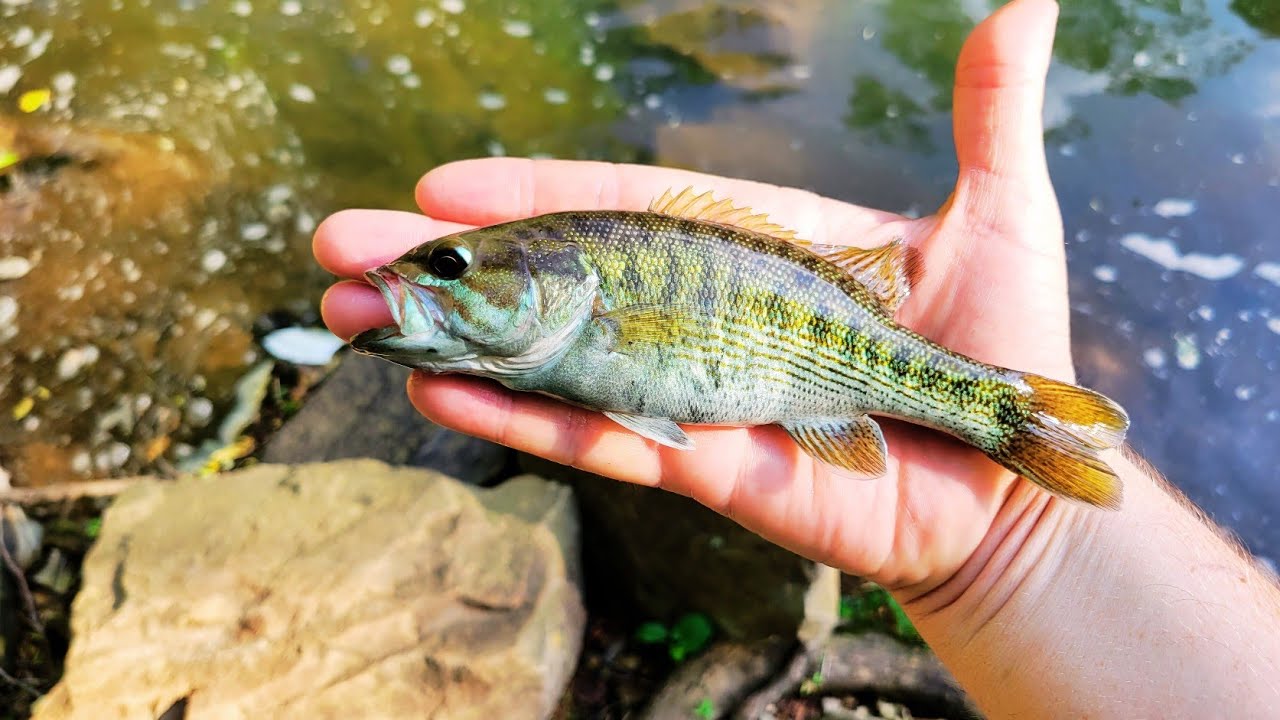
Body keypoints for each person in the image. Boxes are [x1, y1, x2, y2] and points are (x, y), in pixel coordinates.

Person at [312, 0, 1280, 715]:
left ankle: (997, 411)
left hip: (834, 373)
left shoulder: (585, 298)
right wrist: (1014, 569)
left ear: (561, 280)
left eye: (451, 265)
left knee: (988, 409)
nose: (427, 280)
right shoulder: (528, 324)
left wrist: (1021, 554)